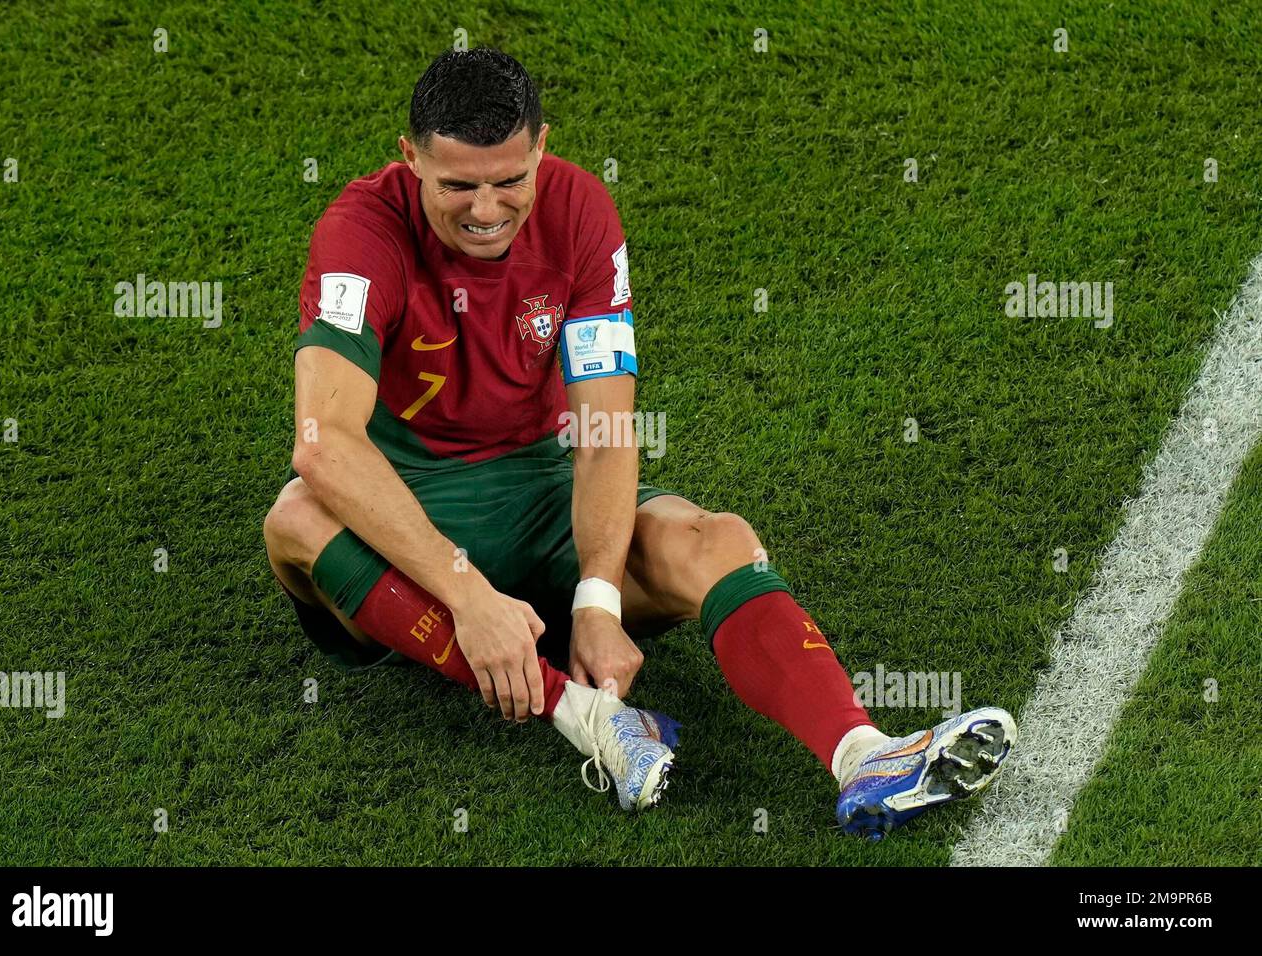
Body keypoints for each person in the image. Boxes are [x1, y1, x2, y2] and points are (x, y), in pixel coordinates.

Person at [263, 47, 1016, 836]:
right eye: (456, 185)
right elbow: (324, 444)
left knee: (717, 540)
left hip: (541, 493)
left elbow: (602, 425)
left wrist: (597, 598)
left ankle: (865, 755)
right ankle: (588, 717)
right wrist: (467, 594)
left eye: (508, 181)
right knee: (295, 518)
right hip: (412, 517)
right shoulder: (359, 235)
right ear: (409, 157)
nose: (485, 209)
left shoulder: (580, 212)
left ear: (542, 148)